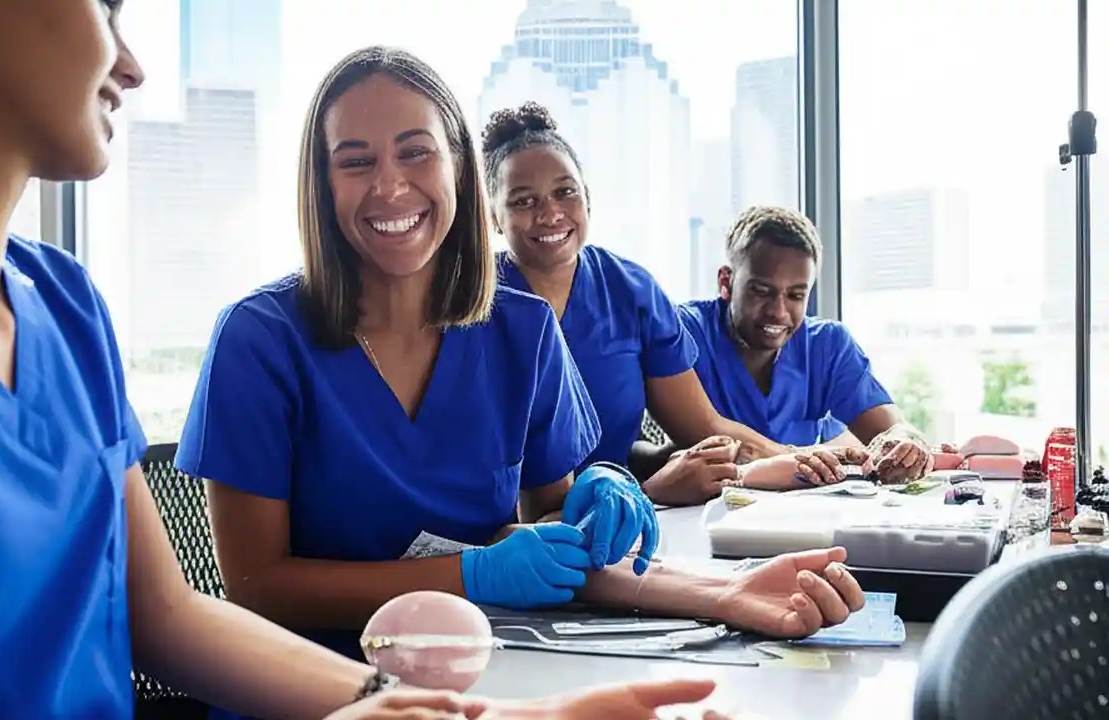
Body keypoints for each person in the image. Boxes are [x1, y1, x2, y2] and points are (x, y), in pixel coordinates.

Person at [0, 3, 731, 719]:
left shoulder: (64, 306)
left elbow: (166, 617)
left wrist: (439, 711)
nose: (132, 64)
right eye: (106, 6)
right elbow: (250, 589)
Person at [178, 46, 865, 720]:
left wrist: (724, 590)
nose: (389, 186)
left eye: (416, 152)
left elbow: (555, 530)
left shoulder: (523, 329)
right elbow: (254, 587)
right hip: (315, 690)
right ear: (322, 186)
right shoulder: (259, 339)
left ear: (458, 170)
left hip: (500, 673)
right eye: (355, 161)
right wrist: (470, 574)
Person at [482, 102, 791, 505]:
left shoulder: (629, 291)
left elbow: (705, 426)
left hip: (622, 522)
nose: (550, 213)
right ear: (491, 217)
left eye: (565, 192)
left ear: (587, 197)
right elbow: (531, 514)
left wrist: (808, 460)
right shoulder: (471, 307)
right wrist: (649, 493)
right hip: (517, 540)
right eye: (523, 201)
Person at [678, 205, 933, 484]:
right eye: (762, 291)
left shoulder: (827, 346)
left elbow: (892, 428)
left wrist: (903, 443)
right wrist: (804, 457)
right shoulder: (684, 333)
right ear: (726, 282)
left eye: (796, 295)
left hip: (803, 514)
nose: (778, 311)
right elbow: (706, 438)